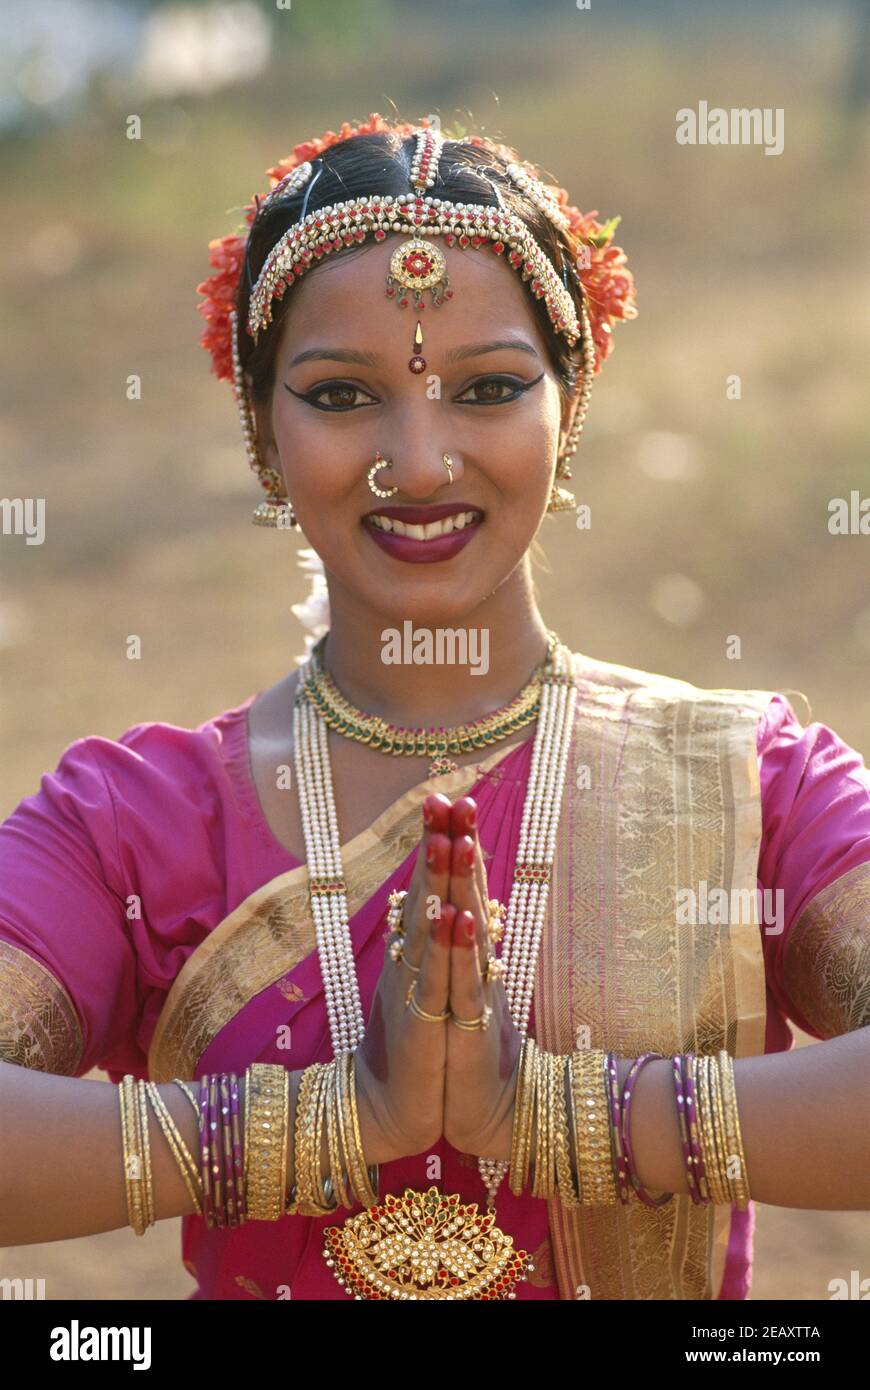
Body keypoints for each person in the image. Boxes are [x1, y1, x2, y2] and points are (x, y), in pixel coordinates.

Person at [1, 112, 868, 1302]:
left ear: (571, 412)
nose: (417, 462)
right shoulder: (131, 822)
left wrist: (564, 1114)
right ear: (264, 432)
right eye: (343, 394)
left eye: (490, 388)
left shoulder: (747, 781)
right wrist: (333, 1122)